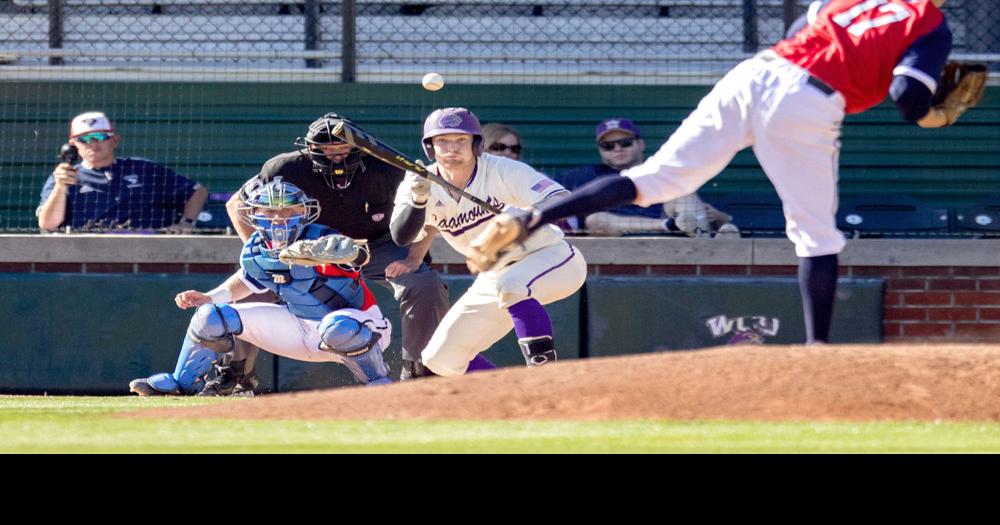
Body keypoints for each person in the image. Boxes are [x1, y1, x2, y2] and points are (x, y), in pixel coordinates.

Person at [468, 0, 960, 345]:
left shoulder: (851, 2)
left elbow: (799, 32)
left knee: (656, 180)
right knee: (815, 232)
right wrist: (931, 113)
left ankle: (531, 219)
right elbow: (908, 97)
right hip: (808, 99)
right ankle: (817, 348)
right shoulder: (930, 22)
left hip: (755, 72)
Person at [129, 113, 487, 396]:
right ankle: (234, 375)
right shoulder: (284, 168)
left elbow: (431, 211)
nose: (335, 153)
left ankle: (419, 375)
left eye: (342, 146)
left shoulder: (387, 167)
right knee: (247, 293)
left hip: (375, 244)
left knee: (423, 283)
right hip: (302, 246)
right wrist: (264, 250)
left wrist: (412, 258)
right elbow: (239, 203)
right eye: (326, 147)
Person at [128, 178, 394, 395]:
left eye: (288, 210)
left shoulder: (322, 237)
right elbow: (247, 281)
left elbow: (357, 257)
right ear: (254, 214)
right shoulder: (255, 249)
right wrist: (208, 297)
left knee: (337, 327)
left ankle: (378, 381)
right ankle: (181, 383)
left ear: (303, 212)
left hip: (360, 328)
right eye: (269, 211)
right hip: (297, 328)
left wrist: (343, 252)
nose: (278, 218)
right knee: (211, 316)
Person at [390, 107, 587, 376]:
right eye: (443, 140)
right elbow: (402, 235)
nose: (452, 148)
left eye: (461, 140)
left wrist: (525, 218)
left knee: (513, 285)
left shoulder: (501, 169)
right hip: (494, 275)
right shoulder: (418, 182)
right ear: (430, 147)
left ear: (476, 144)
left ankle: (544, 380)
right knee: (440, 358)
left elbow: (561, 198)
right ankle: (511, 394)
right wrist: (418, 200)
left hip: (549, 257)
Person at [554, 118, 738, 238]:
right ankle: (677, 228)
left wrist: (720, 217)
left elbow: (705, 212)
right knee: (595, 220)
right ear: (600, 151)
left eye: (625, 143)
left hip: (675, 238)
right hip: (623, 236)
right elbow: (546, 188)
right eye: (608, 146)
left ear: (640, 144)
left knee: (684, 195)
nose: (617, 149)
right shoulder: (586, 175)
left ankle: (706, 240)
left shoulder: (660, 169)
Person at [37, 111, 208, 233]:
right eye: (85, 139)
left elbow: (197, 191)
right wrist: (60, 187)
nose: (93, 144)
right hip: (87, 248)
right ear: (73, 145)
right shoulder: (63, 176)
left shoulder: (143, 169)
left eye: (101, 137)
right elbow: (48, 224)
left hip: (148, 245)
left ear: (115, 140)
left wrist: (186, 223)